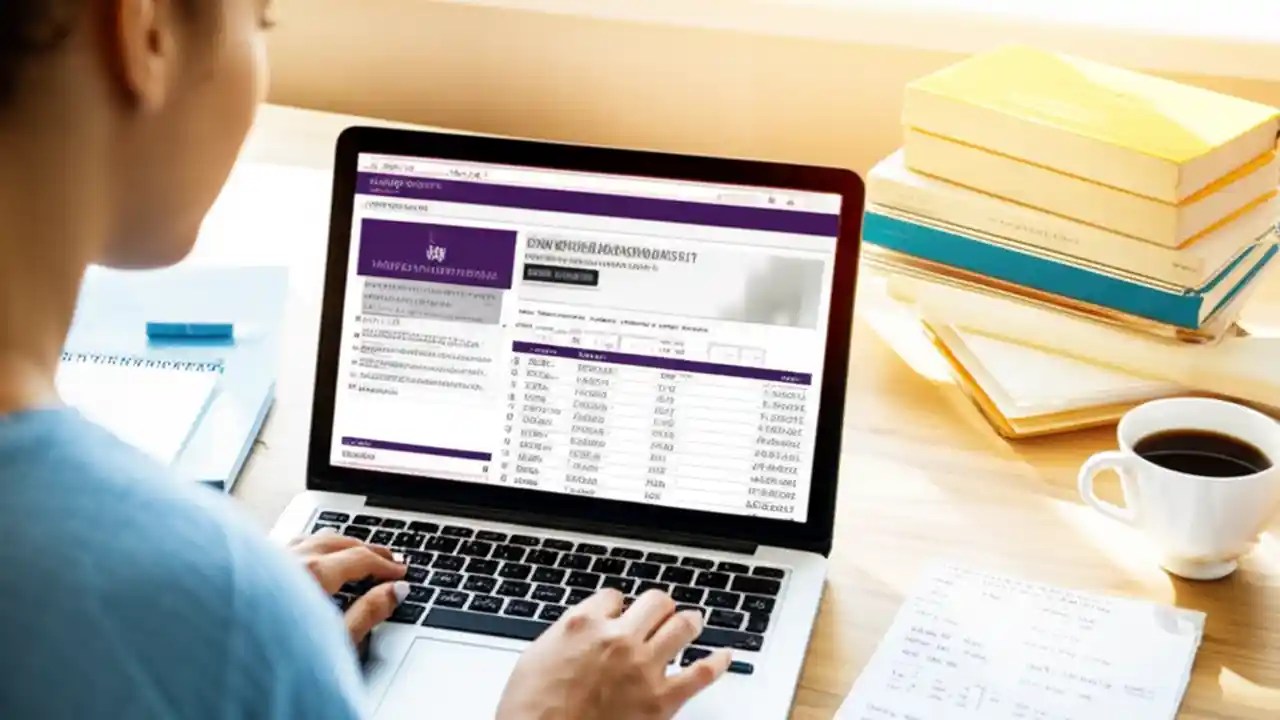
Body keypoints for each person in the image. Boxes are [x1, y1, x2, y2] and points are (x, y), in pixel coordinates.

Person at [0, 1, 732, 718]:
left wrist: (244, 629)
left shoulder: (205, 611)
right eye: (262, 21)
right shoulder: (216, 613)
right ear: (146, 31)